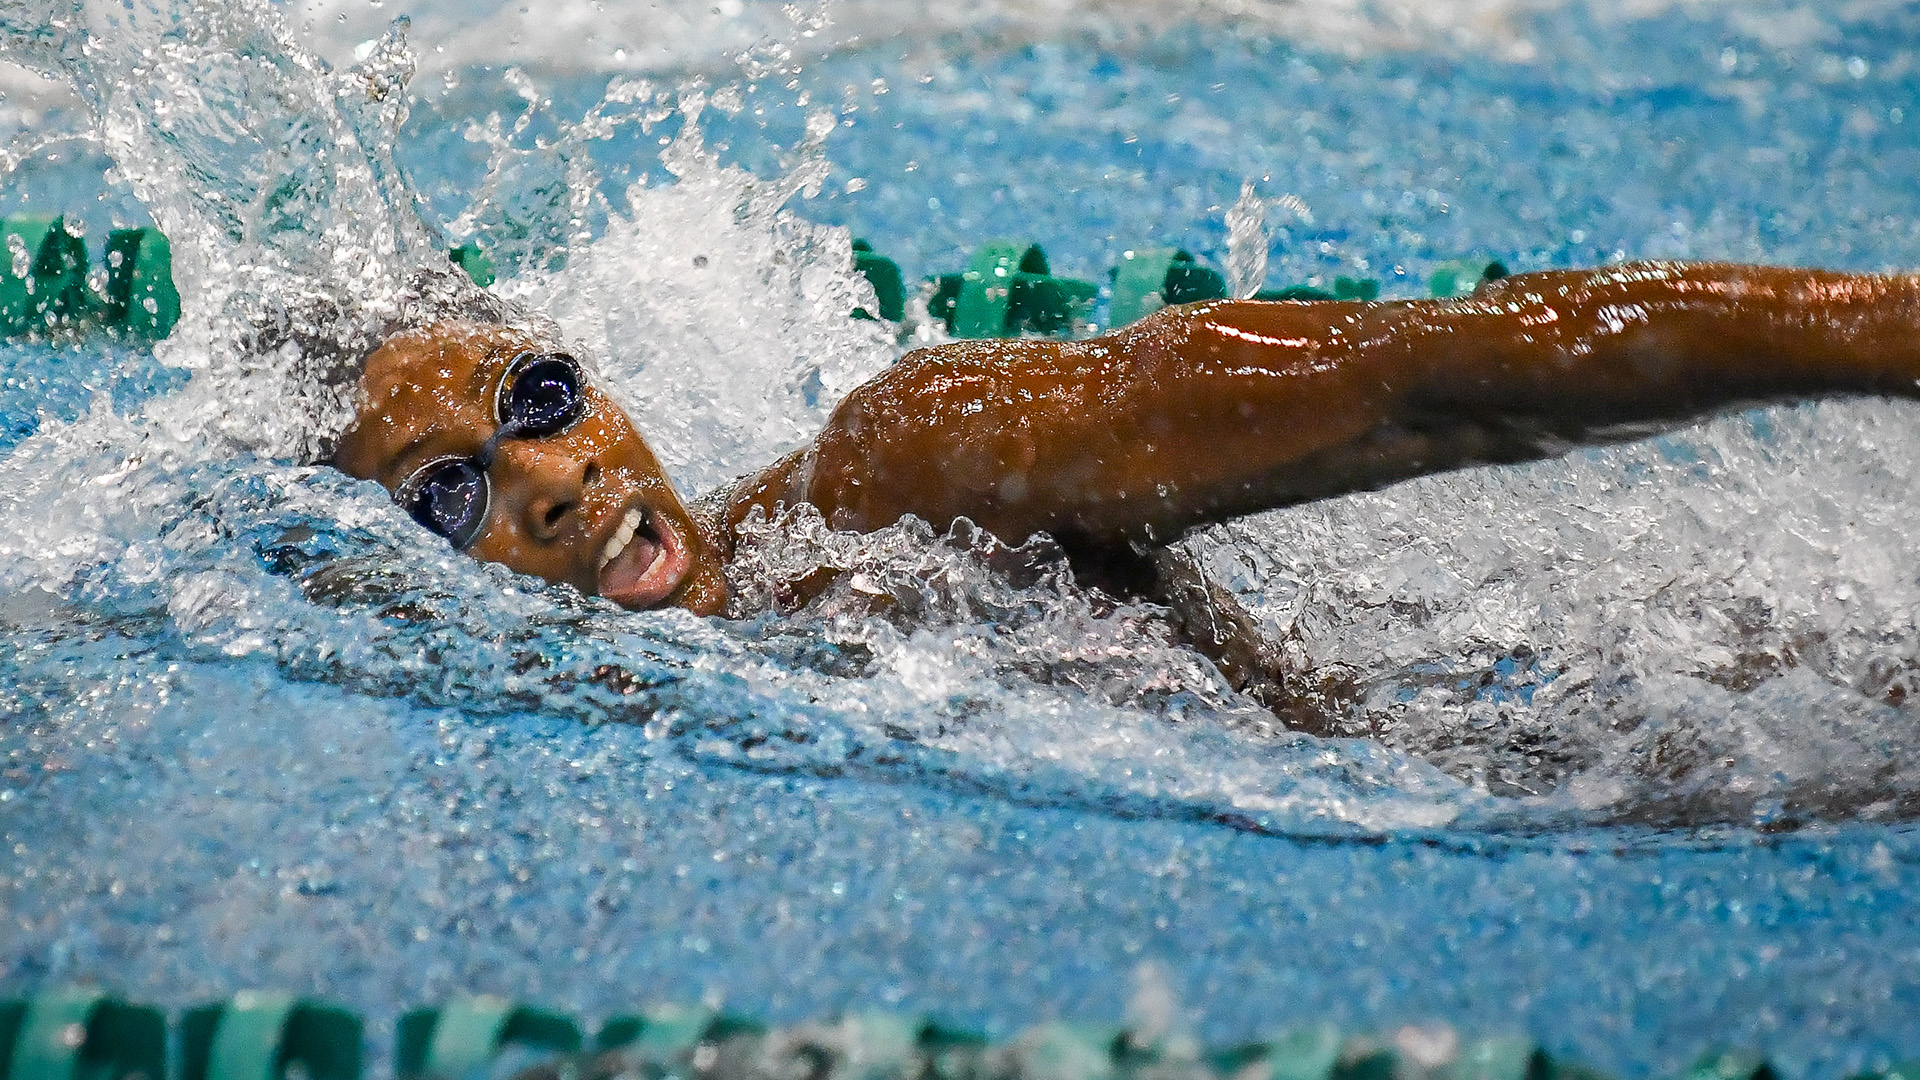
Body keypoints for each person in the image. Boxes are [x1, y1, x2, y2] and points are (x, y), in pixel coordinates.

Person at [332, 260, 1920, 617]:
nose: (550, 483)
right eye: (450, 492)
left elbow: (1414, 376)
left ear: (601, 393)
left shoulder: (900, 476)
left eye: (538, 403)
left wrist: (1885, 333)